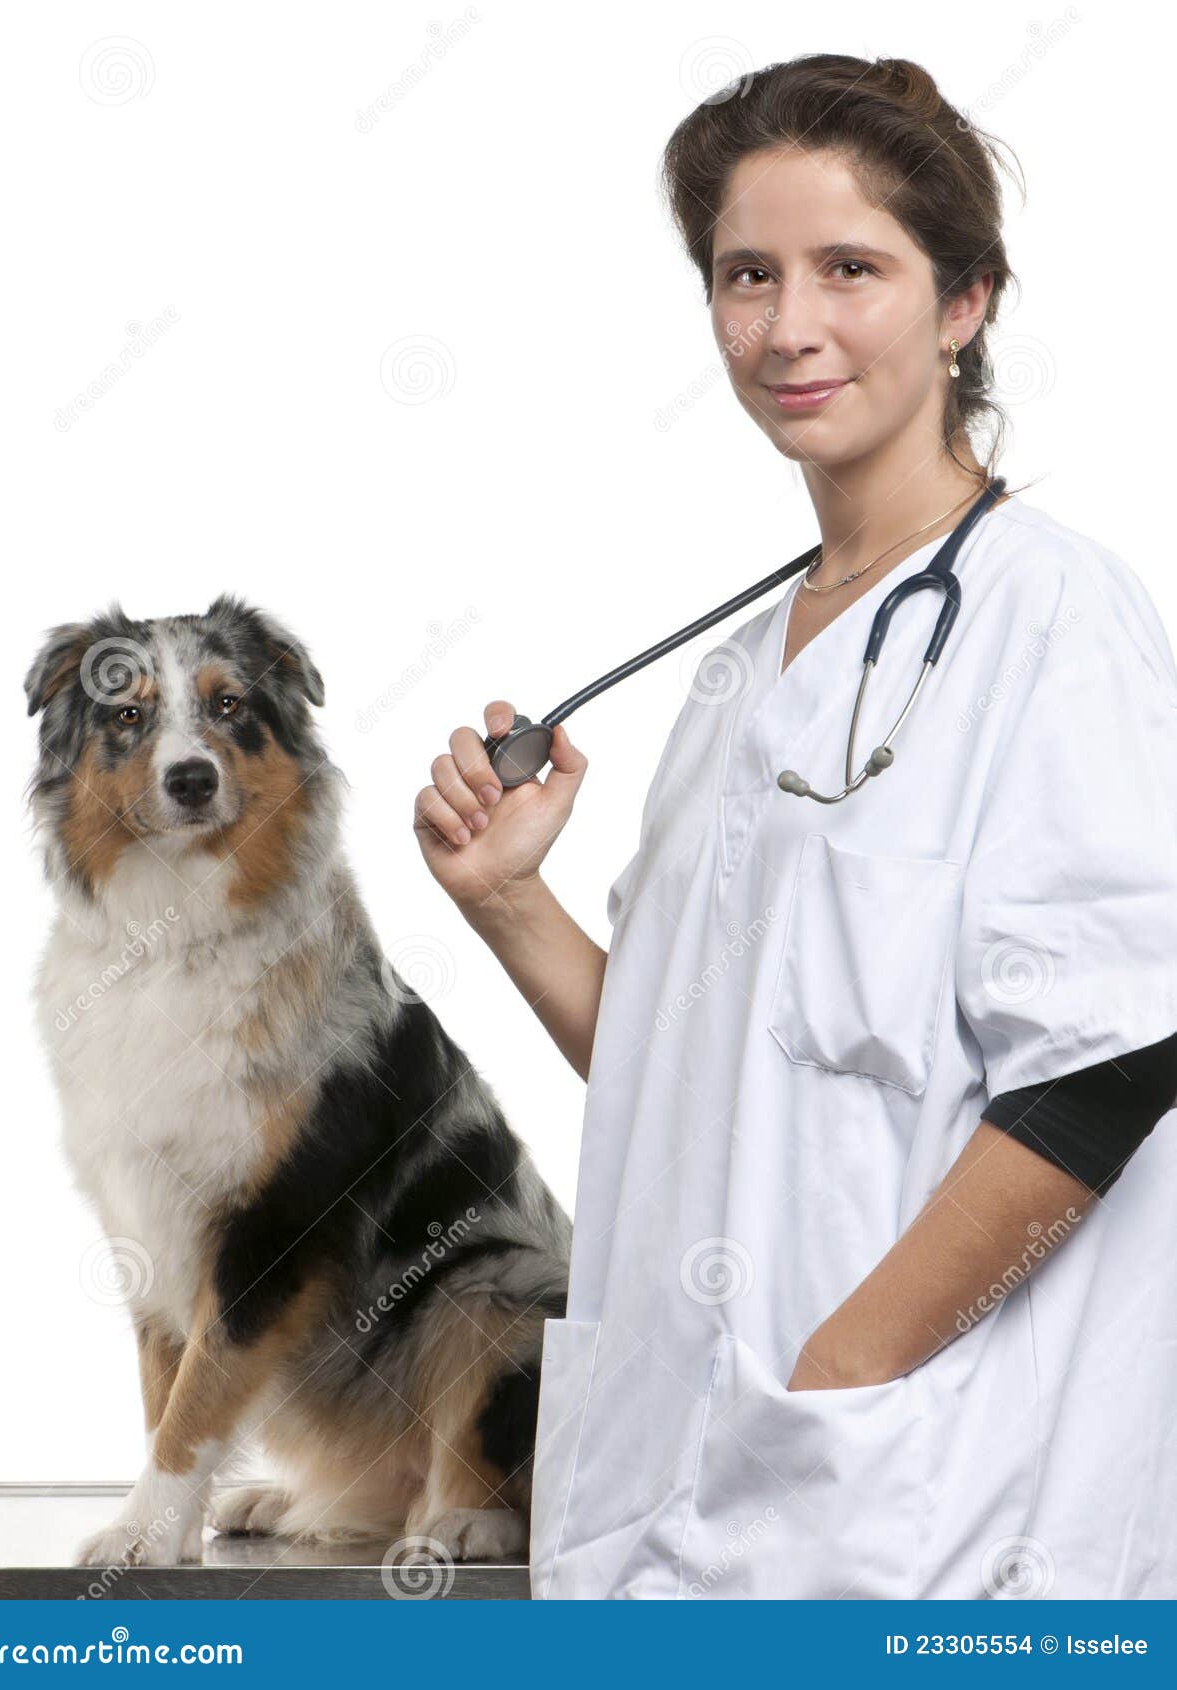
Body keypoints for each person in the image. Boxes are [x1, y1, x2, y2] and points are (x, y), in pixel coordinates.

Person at [413, 53, 1177, 1599]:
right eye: (745, 274)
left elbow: (1112, 1067)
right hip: (676, 1515)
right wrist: (510, 904)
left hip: (925, 1521)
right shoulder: (736, 677)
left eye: (851, 269)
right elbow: (690, 1061)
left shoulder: (1051, 619)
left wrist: (838, 1376)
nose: (788, 327)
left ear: (964, 304)